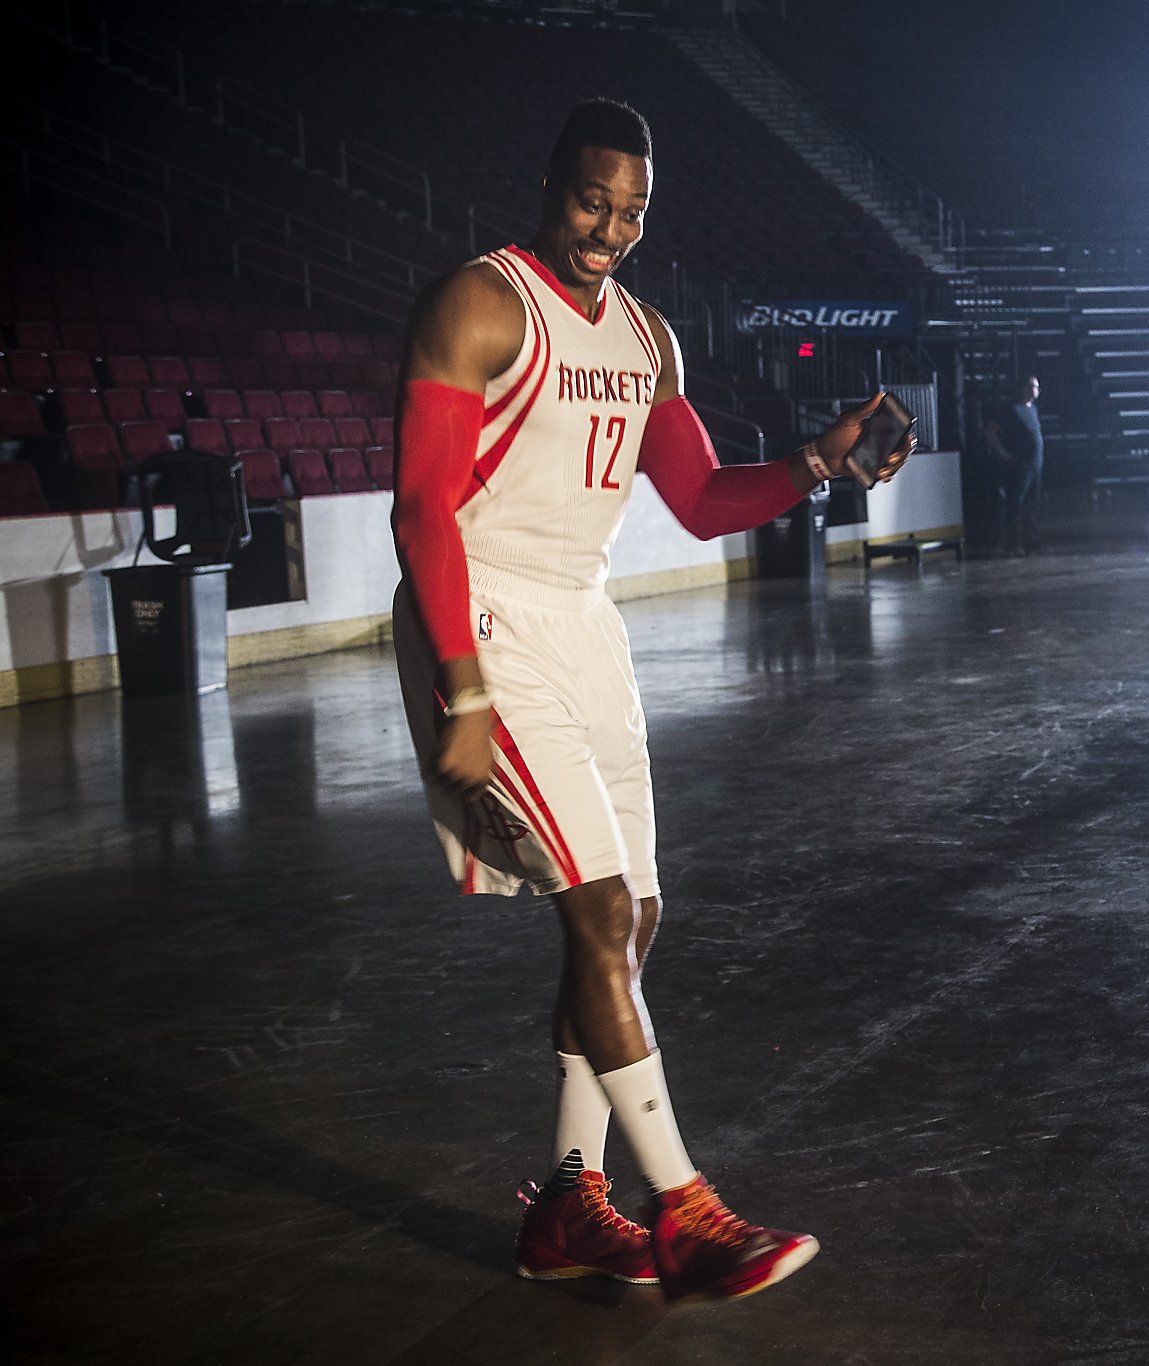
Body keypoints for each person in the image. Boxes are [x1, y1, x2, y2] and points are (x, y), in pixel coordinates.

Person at [388, 99, 913, 1299]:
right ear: (547, 185)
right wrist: (459, 685)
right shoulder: (479, 304)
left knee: (635, 921)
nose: (609, 230)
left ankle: (569, 1207)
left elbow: (700, 499)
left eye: (631, 212)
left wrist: (819, 458)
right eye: (591, 202)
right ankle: (683, 1207)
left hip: (586, 626)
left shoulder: (646, 338)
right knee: (602, 911)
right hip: (489, 623)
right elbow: (421, 509)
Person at [982, 374, 1044, 554]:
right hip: (1020, 466)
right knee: (1015, 505)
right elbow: (990, 431)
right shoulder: (1011, 410)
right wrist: (1003, 453)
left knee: (1031, 506)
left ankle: (1030, 542)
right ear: (1024, 388)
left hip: (1035, 466)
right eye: (1034, 386)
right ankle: (1012, 544)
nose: (1037, 390)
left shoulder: (1033, 409)